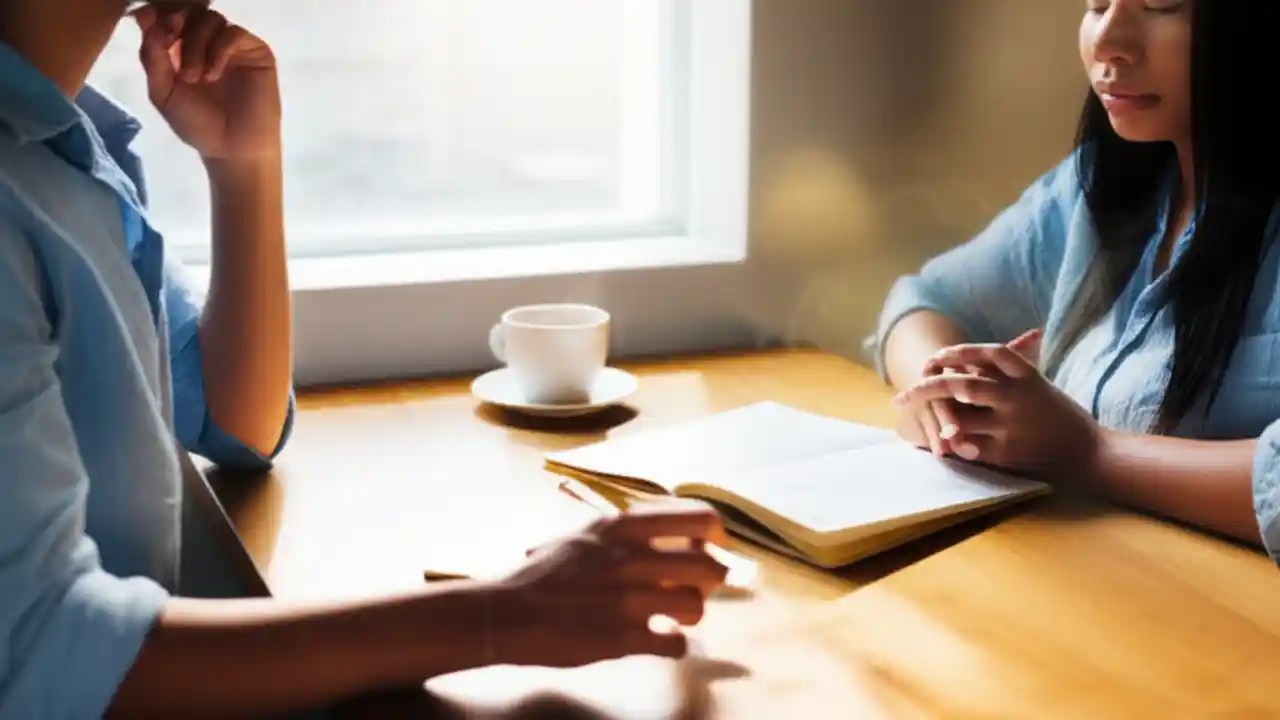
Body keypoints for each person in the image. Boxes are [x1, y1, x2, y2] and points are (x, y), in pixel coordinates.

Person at [0, 1, 727, 717]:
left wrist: (243, 163)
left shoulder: (65, 138)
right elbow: (44, 653)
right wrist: (506, 614)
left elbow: (235, 420)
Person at [872, 0, 1280, 561]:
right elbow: (924, 301)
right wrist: (943, 394)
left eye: (1160, 4)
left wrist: (1088, 452)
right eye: (1096, 4)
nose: (1109, 41)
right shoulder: (1100, 187)